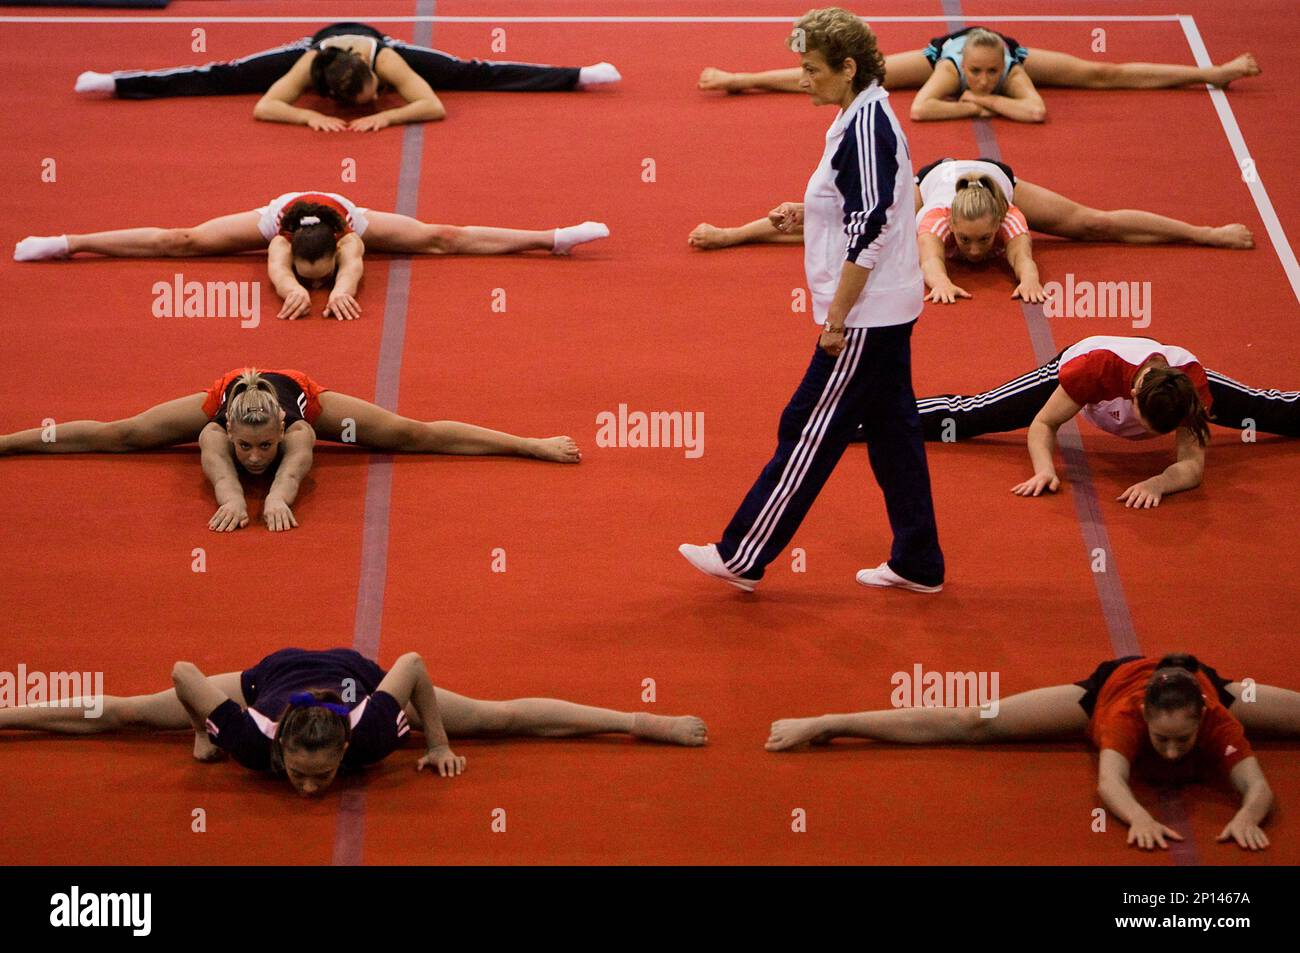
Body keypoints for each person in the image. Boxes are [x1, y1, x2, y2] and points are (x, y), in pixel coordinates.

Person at [678, 8, 944, 595]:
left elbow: (872, 226)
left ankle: (743, 554)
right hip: (887, 309)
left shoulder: (866, 129)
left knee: (807, 428)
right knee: (895, 431)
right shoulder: (858, 115)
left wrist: (838, 317)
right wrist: (811, 214)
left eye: (811, 70)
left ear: (848, 69)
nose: (802, 80)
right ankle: (919, 559)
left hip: (867, 316)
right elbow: (868, 207)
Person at [0, 647, 708, 796]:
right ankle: (10, 715)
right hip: (262, 684)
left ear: (346, 751)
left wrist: (435, 742)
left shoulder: (372, 729)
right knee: (125, 713)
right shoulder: (255, 743)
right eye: (302, 776)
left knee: (500, 717)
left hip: (356, 675)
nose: (310, 790)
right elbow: (182, 670)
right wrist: (205, 719)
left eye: (321, 776)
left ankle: (645, 720)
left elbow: (413, 663)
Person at [766, 653, 1295, 852]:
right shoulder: (1124, 717)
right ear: (1146, 724)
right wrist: (1139, 818)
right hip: (1108, 686)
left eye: (1184, 739)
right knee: (974, 721)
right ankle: (832, 720)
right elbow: (1111, 782)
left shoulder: (1219, 711)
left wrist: (1250, 815)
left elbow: (1257, 787)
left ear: (1204, 718)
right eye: (1163, 741)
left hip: (1205, 681)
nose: (1175, 754)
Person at [0, 368, 582, 532]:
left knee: (412, 434)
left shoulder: (304, 426)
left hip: (298, 389)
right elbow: (102, 433)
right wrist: (231, 497)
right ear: (230, 431)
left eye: (263, 447)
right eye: (246, 448)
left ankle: (524, 444)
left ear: (280, 431)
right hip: (231, 394)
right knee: (120, 435)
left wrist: (278, 498)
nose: (256, 458)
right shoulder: (211, 425)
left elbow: (292, 473)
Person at [689, 157, 1252, 308]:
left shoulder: (1008, 216)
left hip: (994, 178)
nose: (978, 252)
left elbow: (1027, 260)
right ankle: (733, 232)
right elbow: (932, 258)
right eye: (972, 241)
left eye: (984, 242)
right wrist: (937, 282)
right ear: (954, 223)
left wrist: (1028, 278)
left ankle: (1206, 232)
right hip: (936, 178)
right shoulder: (934, 218)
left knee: (1091, 223)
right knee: (855, 222)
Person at [14, 191, 608, 320]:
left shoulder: (354, 238)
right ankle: (69, 242)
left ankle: (552, 236)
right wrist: (286, 287)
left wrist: (346, 288)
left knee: (442, 236)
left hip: (345, 209)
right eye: (313, 280)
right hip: (286, 208)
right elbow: (276, 268)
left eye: (316, 284)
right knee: (183, 239)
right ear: (292, 251)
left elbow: (352, 266)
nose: (317, 288)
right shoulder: (275, 237)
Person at [909, 335, 1298, 507]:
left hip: (1170, 378)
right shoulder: (1092, 371)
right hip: (1076, 364)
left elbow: (1192, 465)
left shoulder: (1192, 389)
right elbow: (1044, 425)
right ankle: (869, 416)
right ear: (1132, 397)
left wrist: (1159, 481)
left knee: (1273, 410)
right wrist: (1044, 469)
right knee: (974, 414)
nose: (1145, 437)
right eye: (1145, 426)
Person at [75, 21, 621, 129]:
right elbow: (264, 105)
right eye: (367, 104)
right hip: (323, 42)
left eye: (375, 98)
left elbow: (432, 103)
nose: (376, 102)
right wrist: (307, 122)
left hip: (367, 36)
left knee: (470, 71)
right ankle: (120, 81)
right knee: (224, 73)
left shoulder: (386, 62)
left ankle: (578, 74)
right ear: (328, 93)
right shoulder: (308, 66)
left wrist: (388, 120)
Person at [699, 24, 1258, 123]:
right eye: (978, 74)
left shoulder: (1011, 69)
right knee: (846, 76)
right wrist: (977, 96)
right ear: (964, 67)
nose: (985, 80)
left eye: (991, 76)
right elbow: (920, 107)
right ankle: (737, 77)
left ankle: (1212, 71)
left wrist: (985, 98)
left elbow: (1036, 111)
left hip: (999, 44)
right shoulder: (947, 67)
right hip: (943, 51)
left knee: (1101, 72)